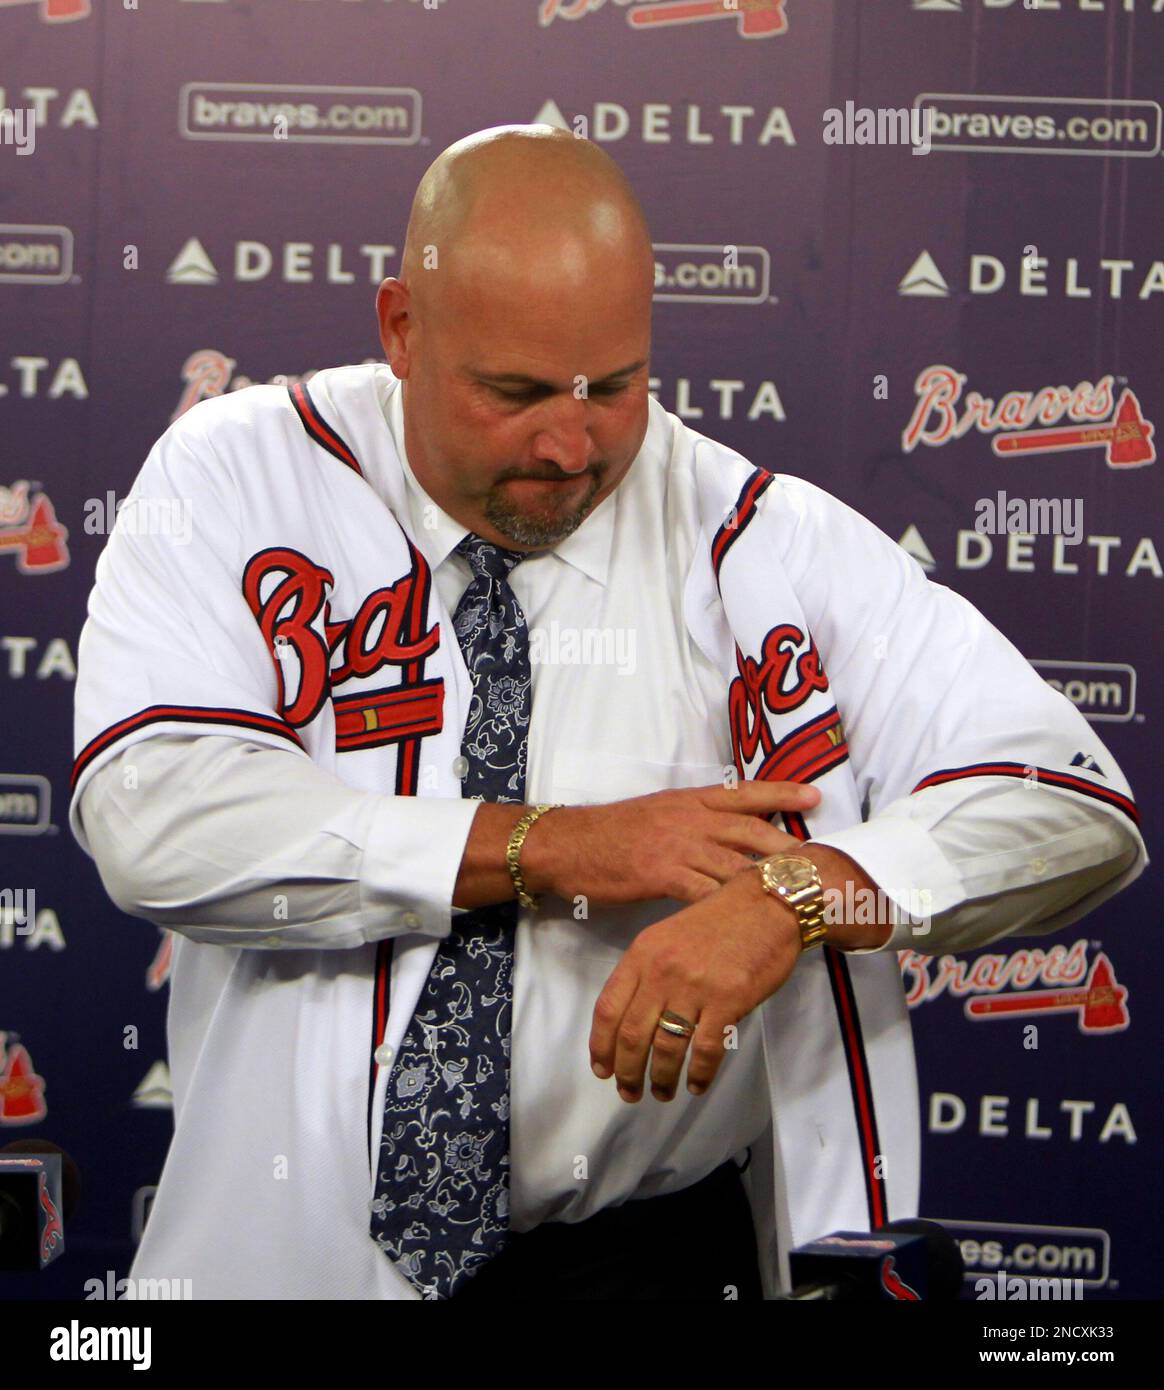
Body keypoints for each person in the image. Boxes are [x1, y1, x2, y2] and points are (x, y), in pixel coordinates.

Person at [70, 124, 1146, 1301]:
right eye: (515, 393)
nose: (572, 445)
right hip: (295, 1250)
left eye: (615, 386)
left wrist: (797, 895)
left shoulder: (751, 537)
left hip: (641, 1260)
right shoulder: (239, 478)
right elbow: (153, 812)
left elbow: (1068, 797)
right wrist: (554, 844)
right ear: (402, 329)